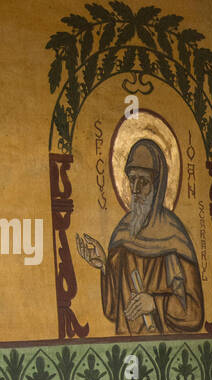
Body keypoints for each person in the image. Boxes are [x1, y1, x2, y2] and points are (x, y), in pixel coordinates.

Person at [76, 137, 204, 334]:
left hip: (164, 348)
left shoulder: (174, 236)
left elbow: (194, 314)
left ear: (157, 186)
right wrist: (104, 267)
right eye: (132, 180)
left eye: (143, 182)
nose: (135, 190)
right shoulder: (123, 232)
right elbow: (113, 311)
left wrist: (154, 303)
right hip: (126, 346)